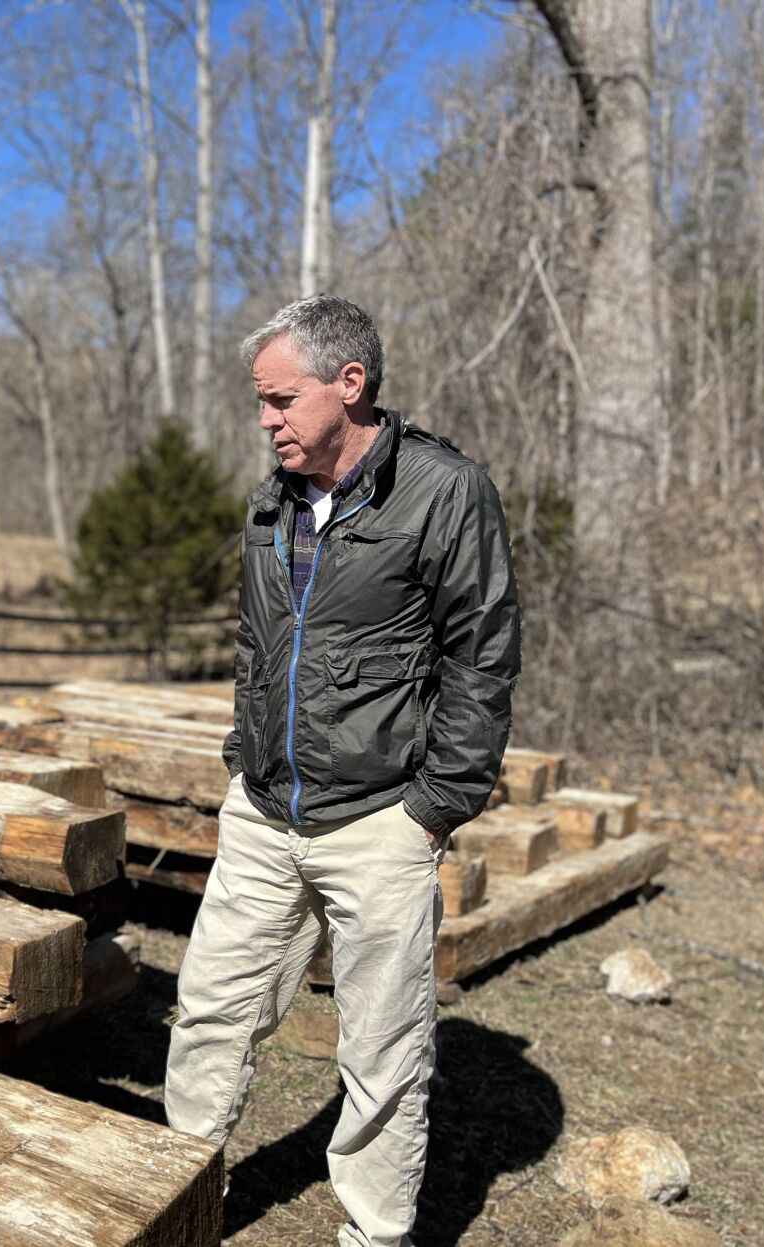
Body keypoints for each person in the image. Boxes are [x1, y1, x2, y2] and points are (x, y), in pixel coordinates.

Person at [163, 295, 521, 1247]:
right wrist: (246, 759)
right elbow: (254, 639)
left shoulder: (445, 492)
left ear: (349, 384)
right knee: (207, 1015)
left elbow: (483, 657)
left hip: (380, 823)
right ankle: (169, 1202)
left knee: (383, 1053)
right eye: (262, 403)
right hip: (264, 813)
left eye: (282, 399)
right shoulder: (270, 500)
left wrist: (436, 807)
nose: (267, 420)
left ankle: (375, 1231)